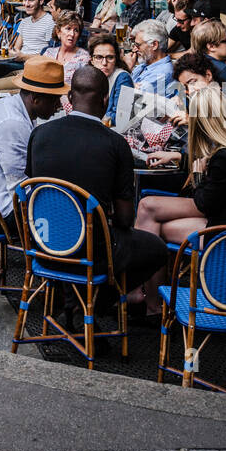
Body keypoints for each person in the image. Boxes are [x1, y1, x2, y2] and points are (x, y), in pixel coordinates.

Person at [26, 67, 168, 299]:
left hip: (42, 243)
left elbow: (35, 189)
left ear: (70, 98)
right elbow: (124, 218)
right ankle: (96, 302)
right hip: (91, 252)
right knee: (156, 249)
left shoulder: (40, 133)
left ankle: (75, 298)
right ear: (105, 100)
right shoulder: (115, 143)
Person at [134, 84, 226, 314]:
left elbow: (203, 203)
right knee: (150, 214)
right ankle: (150, 298)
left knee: (148, 213)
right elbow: (219, 183)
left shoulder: (224, 157)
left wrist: (196, 172)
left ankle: (149, 300)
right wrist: (182, 158)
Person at [0, 57, 70, 231]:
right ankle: (52, 254)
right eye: (54, 99)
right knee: (70, 211)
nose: (59, 105)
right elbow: (21, 189)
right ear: (35, 99)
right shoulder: (13, 123)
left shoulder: (12, 107)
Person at [43, 10, 90, 109]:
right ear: (58, 32)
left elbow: (83, 91)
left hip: (69, 105)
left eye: (76, 30)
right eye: (68, 29)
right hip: (45, 101)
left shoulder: (84, 58)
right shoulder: (49, 53)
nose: (72, 34)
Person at [87, 31, 134, 126]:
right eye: (99, 57)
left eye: (110, 57)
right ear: (92, 60)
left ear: (116, 58)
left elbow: (121, 117)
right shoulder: (90, 75)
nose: (104, 63)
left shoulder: (122, 78)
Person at [130, 21, 175, 97]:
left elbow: (126, 98)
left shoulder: (163, 73)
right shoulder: (145, 64)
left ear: (154, 45)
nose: (134, 49)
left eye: (138, 45)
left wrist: (126, 68)